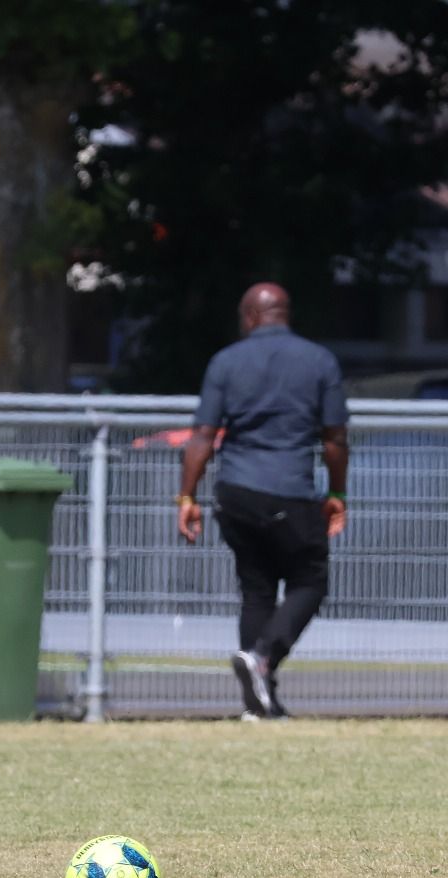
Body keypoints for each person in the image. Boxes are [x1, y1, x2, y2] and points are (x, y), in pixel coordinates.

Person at [178, 282, 349, 720]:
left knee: (256, 592)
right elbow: (334, 439)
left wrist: (187, 497)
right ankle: (264, 658)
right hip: (290, 490)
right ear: (283, 313)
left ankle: (260, 701)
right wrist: (336, 493)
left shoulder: (226, 361)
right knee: (310, 582)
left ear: (251, 315)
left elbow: (201, 436)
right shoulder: (320, 361)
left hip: (235, 491)